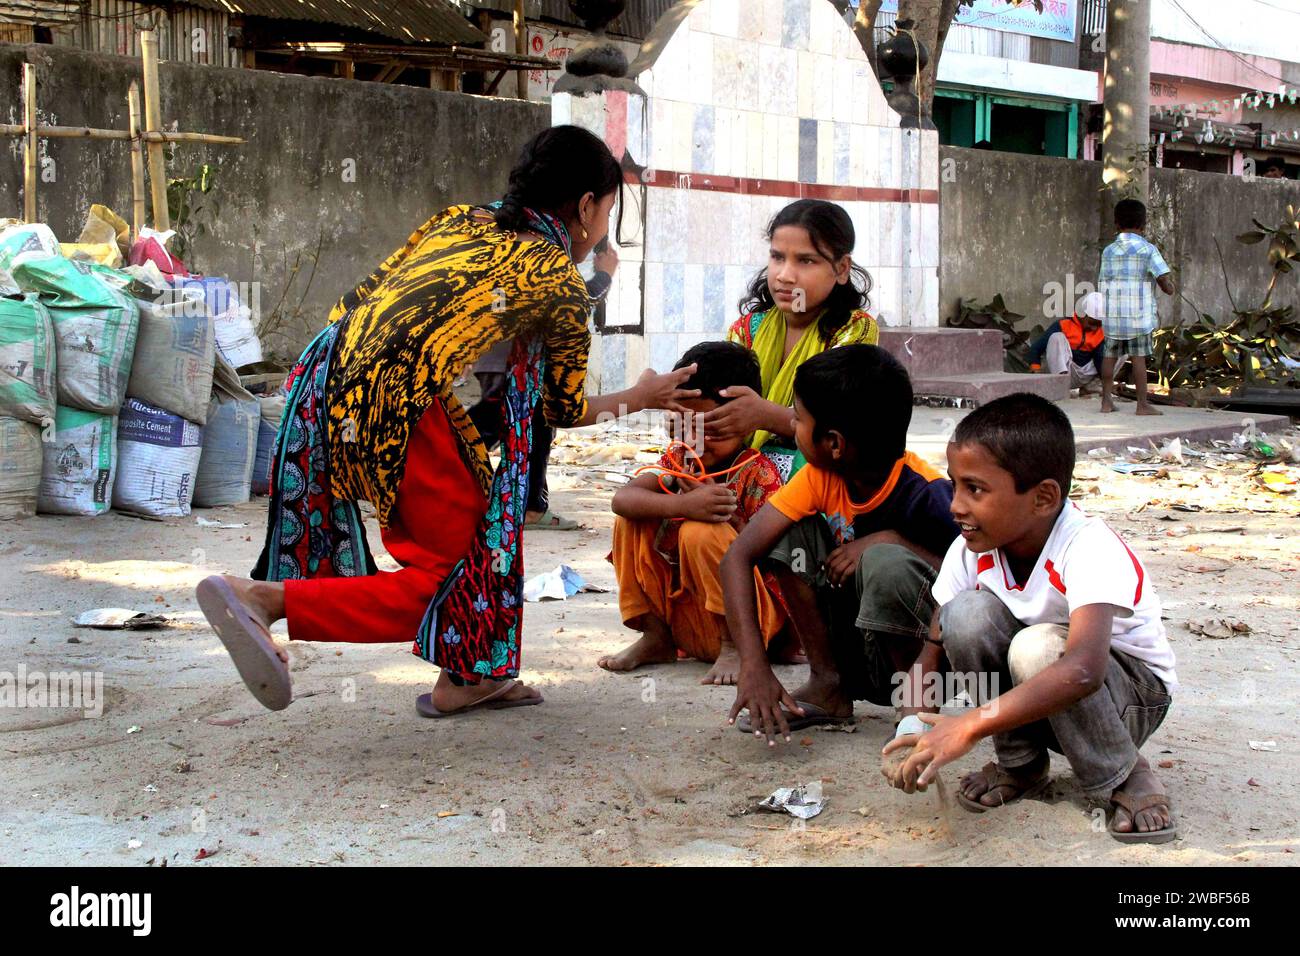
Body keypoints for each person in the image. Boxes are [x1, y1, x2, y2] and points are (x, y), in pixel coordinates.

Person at [194, 126, 700, 718]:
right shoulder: (557, 280)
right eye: (606, 212)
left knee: (471, 541)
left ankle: (470, 677)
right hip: (397, 395)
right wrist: (641, 395)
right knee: (459, 585)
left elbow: (388, 306)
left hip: (329, 378)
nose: (601, 232)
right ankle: (265, 600)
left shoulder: (459, 220)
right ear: (585, 206)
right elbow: (561, 411)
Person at [883, 393, 1178, 844]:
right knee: (966, 614)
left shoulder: (1088, 546)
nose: (955, 505)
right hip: (1042, 693)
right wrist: (912, 729)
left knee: (1038, 646)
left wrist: (970, 723)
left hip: (1130, 698)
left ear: (1042, 498)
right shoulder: (969, 549)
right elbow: (934, 648)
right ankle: (1020, 764)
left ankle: (1125, 772)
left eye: (975, 489)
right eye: (955, 485)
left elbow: (1083, 670)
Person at [721, 345, 960, 744]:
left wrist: (891, 540)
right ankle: (828, 685)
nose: (791, 424)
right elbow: (738, 556)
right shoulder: (819, 476)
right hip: (856, 647)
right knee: (789, 533)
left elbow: (983, 573)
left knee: (885, 562)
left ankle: (914, 710)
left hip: (929, 662)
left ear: (834, 443)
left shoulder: (928, 493)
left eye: (798, 417)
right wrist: (753, 664)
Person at [599, 341, 791, 685]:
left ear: (745, 425)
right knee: (631, 518)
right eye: (686, 426)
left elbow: (782, 559)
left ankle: (735, 647)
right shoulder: (676, 462)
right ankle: (655, 637)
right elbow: (623, 499)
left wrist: (736, 527)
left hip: (751, 624)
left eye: (712, 428)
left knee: (701, 532)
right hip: (688, 622)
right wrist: (682, 505)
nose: (697, 441)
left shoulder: (756, 471)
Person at [709, 199, 878, 483]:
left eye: (805, 260)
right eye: (777, 257)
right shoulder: (747, 329)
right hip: (743, 468)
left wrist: (765, 415)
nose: (785, 275)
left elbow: (836, 429)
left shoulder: (853, 329)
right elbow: (721, 405)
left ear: (841, 269)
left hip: (812, 476)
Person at [469, 241, 621, 531]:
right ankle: (425, 477)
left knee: (530, 429)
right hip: (517, 365)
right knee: (500, 426)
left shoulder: (511, 252)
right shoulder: (544, 257)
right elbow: (578, 302)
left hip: (499, 360)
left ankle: (531, 506)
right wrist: (605, 274)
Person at [1098, 199, 1175, 416]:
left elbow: (1103, 280)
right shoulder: (1147, 249)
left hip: (1113, 314)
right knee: (1138, 358)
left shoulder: (1108, 251)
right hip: (1138, 316)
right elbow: (1162, 277)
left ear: (1116, 224)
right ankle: (1142, 405)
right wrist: (1169, 288)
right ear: (1143, 225)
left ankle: (1106, 402)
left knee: (1109, 356)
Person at [1027, 290, 1106, 393]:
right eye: (1092, 323)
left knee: (1117, 347)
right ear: (1082, 314)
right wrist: (1035, 370)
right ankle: (1059, 386)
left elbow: (1100, 361)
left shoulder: (1100, 332)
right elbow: (1035, 349)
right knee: (1056, 337)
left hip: (1086, 374)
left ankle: (1092, 386)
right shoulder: (1063, 325)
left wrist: (1106, 383)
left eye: (1098, 324)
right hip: (1066, 372)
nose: (1094, 328)